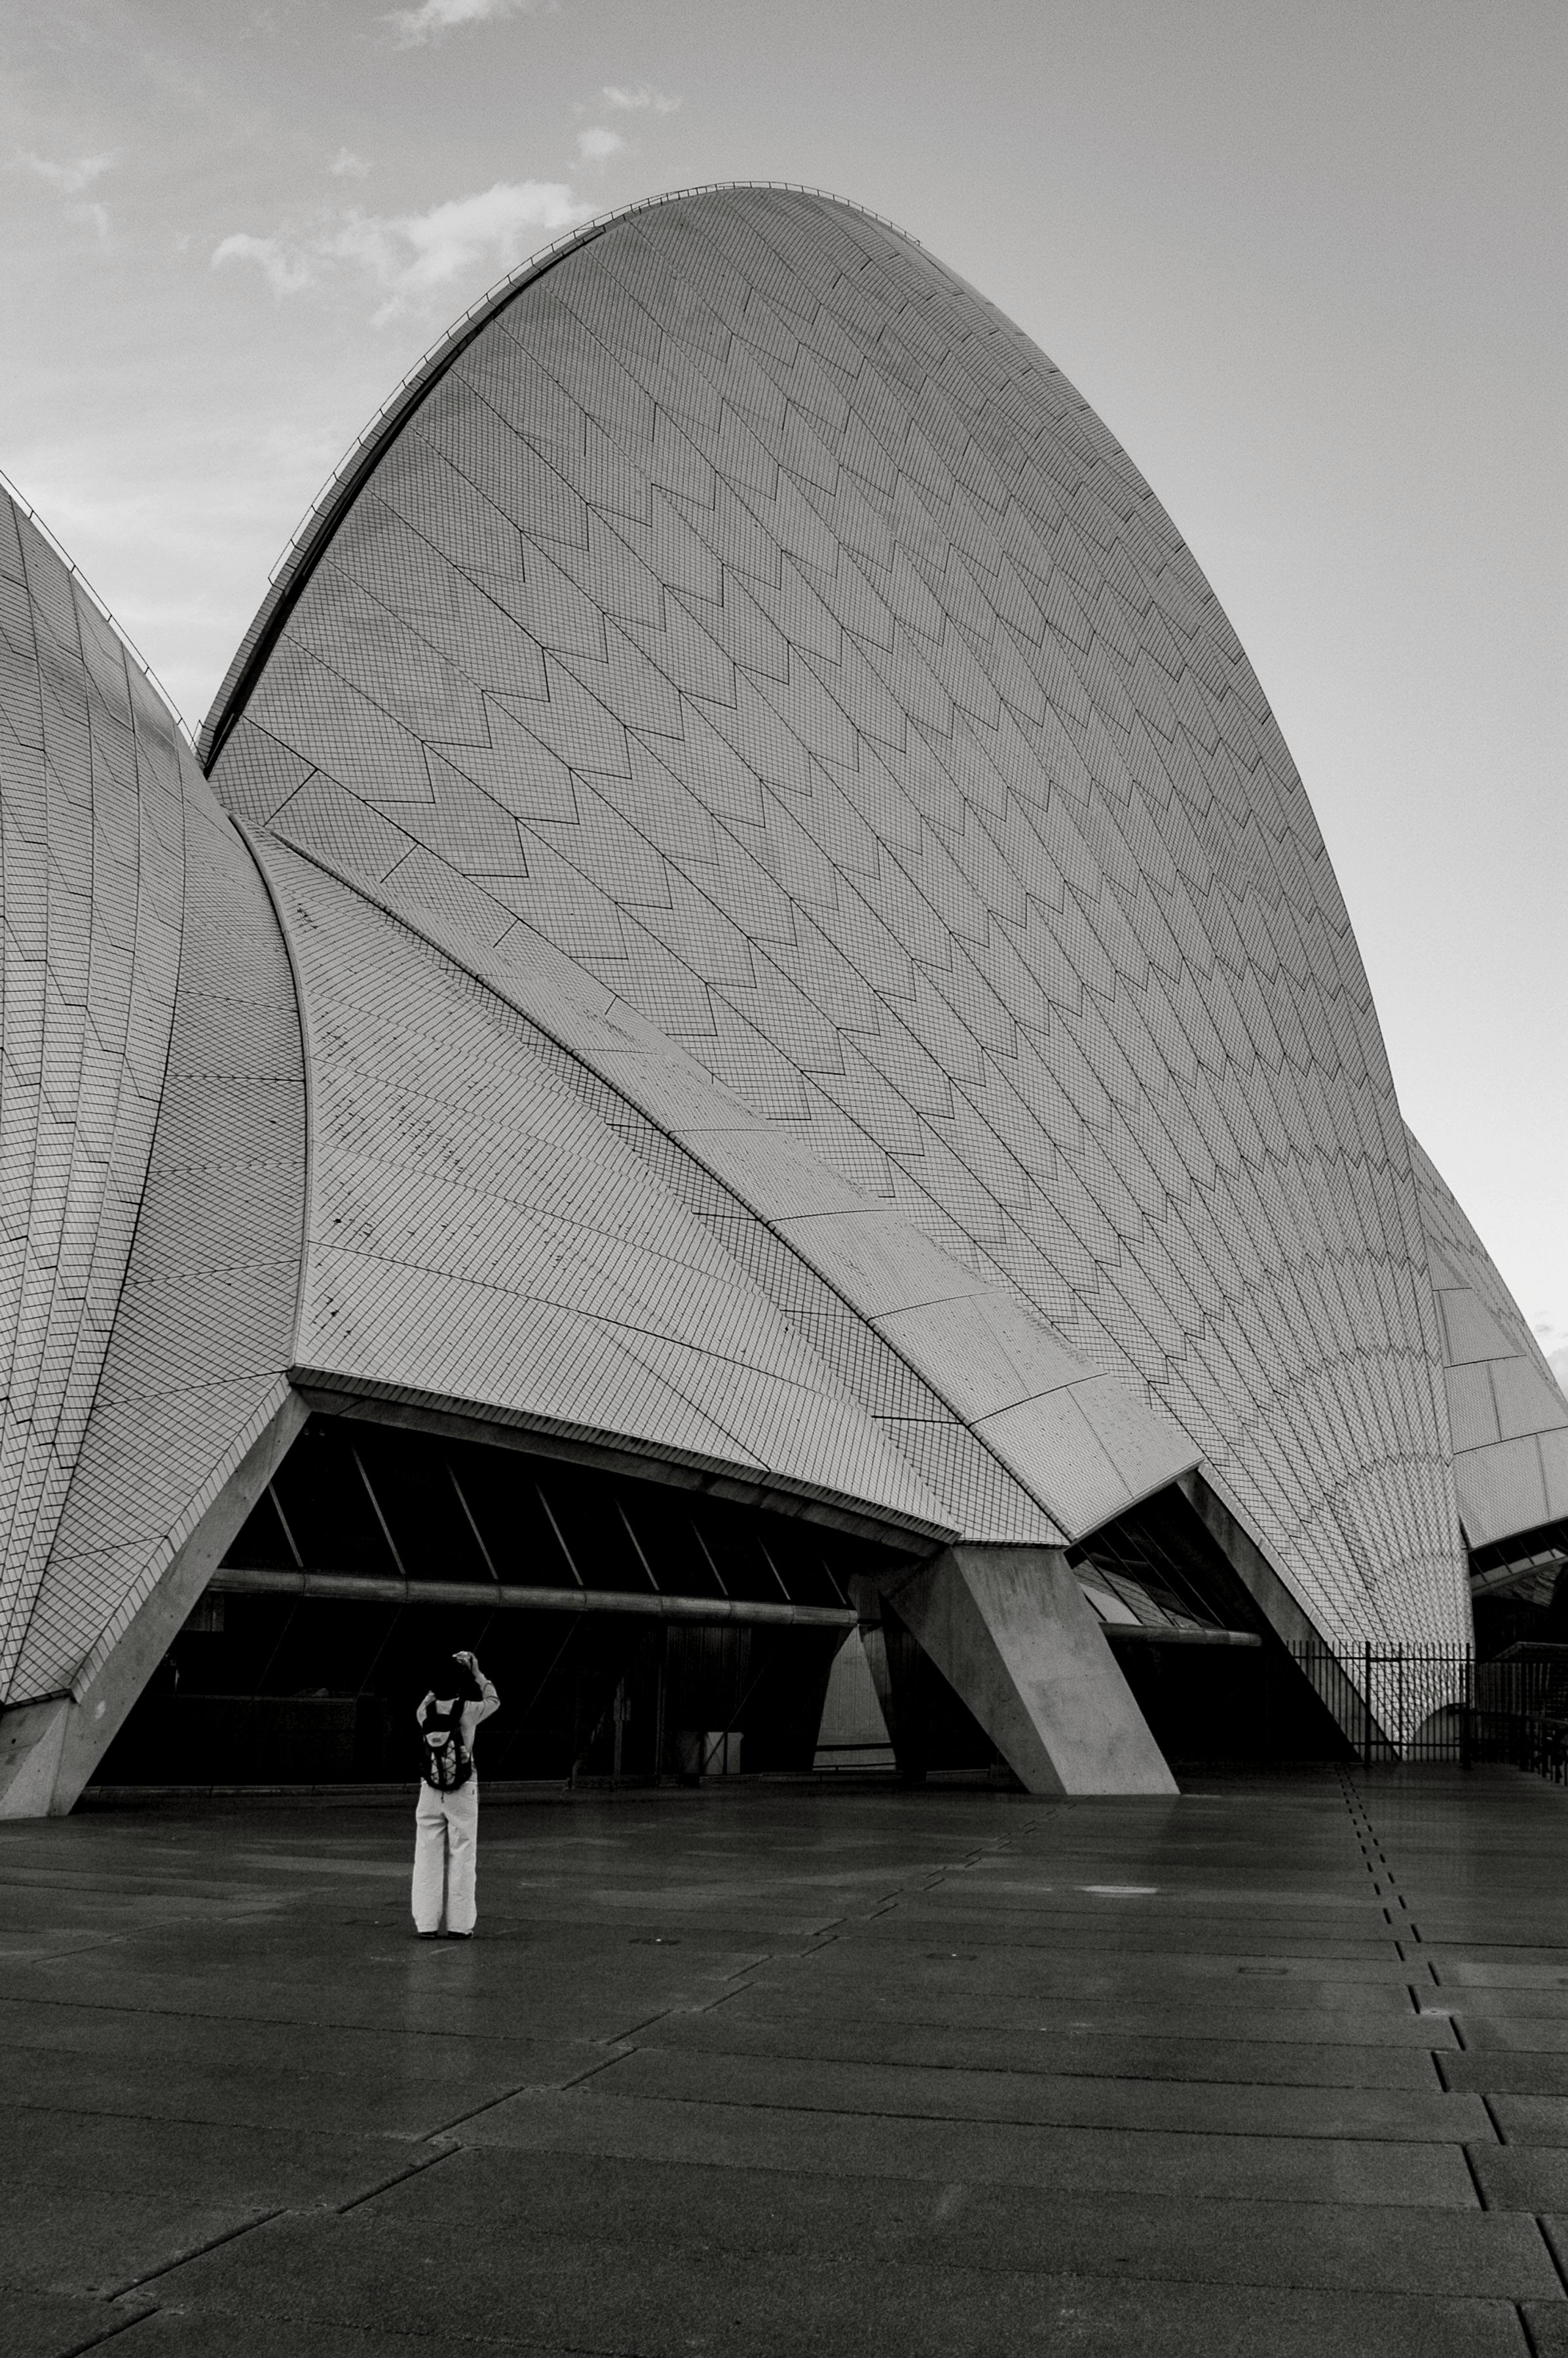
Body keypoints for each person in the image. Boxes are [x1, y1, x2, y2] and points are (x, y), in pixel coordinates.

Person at [411, 1649, 499, 1939]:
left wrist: (438, 1682)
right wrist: (476, 1672)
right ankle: (460, 1927)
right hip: (464, 1788)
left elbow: (429, 1696)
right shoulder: (469, 1710)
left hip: (430, 1790)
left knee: (426, 1857)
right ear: (460, 1684)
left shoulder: (424, 1711)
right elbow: (494, 1700)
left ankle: (425, 1924)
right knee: (463, 1855)